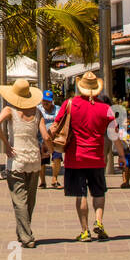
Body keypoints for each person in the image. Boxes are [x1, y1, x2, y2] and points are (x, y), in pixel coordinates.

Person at [48, 70, 114, 242]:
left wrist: (47, 142)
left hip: (75, 158)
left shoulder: (69, 104)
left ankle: (85, 231)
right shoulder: (106, 108)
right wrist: (120, 154)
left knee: (81, 195)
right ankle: (99, 221)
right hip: (97, 157)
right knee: (99, 192)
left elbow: (55, 126)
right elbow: (113, 133)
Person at [0, 79, 53, 248]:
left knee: (19, 199)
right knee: (30, 199)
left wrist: (5, 143)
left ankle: (26, 236)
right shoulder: (38, 112)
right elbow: (46, 136)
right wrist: (50, 150)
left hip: (16, 159)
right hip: (34, 159)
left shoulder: (9, 109)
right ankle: (23, 232)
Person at [38, 91, 61, 189]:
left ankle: (54, 179)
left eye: (48, 101)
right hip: (41, 139)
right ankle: (42, 181)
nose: (45, 103)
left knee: (57, 158)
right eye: (44, 100)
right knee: (42, 161)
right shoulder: (38, 109)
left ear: (52, 101)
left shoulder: (58, 109)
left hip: (55, 139)